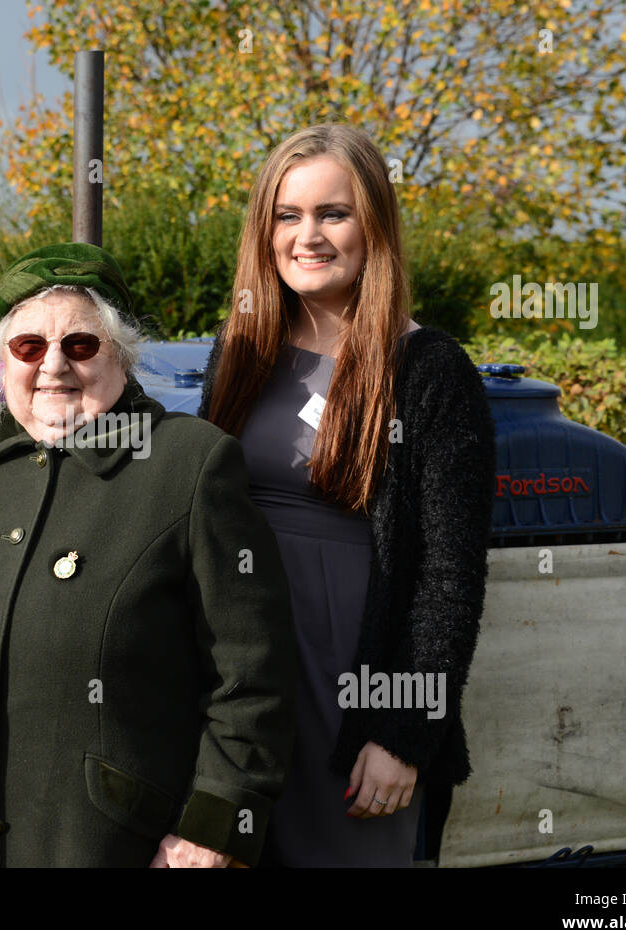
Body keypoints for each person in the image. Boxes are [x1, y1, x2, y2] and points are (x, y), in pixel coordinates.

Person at [0, 243, 296, 867]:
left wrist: (214, 826)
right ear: (2, 358)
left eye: (81, 345)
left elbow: (251, 673)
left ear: (122, 356)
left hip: (100, 841)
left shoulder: (189, 465)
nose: (53, 365)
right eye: (28, 347)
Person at [198, 124, 496, 866]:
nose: (308, 235)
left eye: (334, 213)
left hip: (350, 685)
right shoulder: (239, 348)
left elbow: (449, 575)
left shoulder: (429, 370)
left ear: (375, 225)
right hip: (238, 676)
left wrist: (402, 731)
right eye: (287, 215)